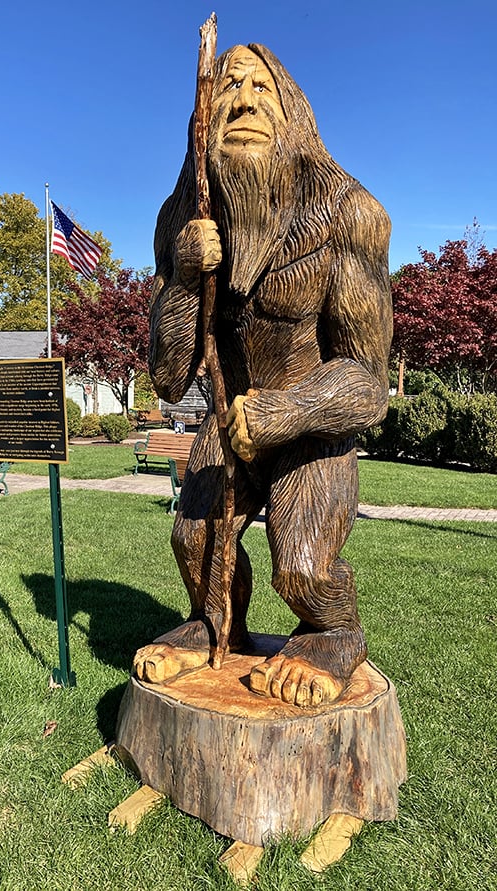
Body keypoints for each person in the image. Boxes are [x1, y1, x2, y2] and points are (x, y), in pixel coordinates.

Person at [134, 43, 393, 708]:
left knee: (303, 571)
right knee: (194, 540)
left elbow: (369, 382)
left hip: (311, 426)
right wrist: (185, 279)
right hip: (230, 421)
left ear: (292, 116)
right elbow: (167, 378)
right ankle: (214, 625)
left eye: (260, 88)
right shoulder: (182, 219)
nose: (243, 102)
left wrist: (288, 411)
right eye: (227, 87)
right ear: (203, 119)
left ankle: (333, 634)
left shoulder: (349, 215)